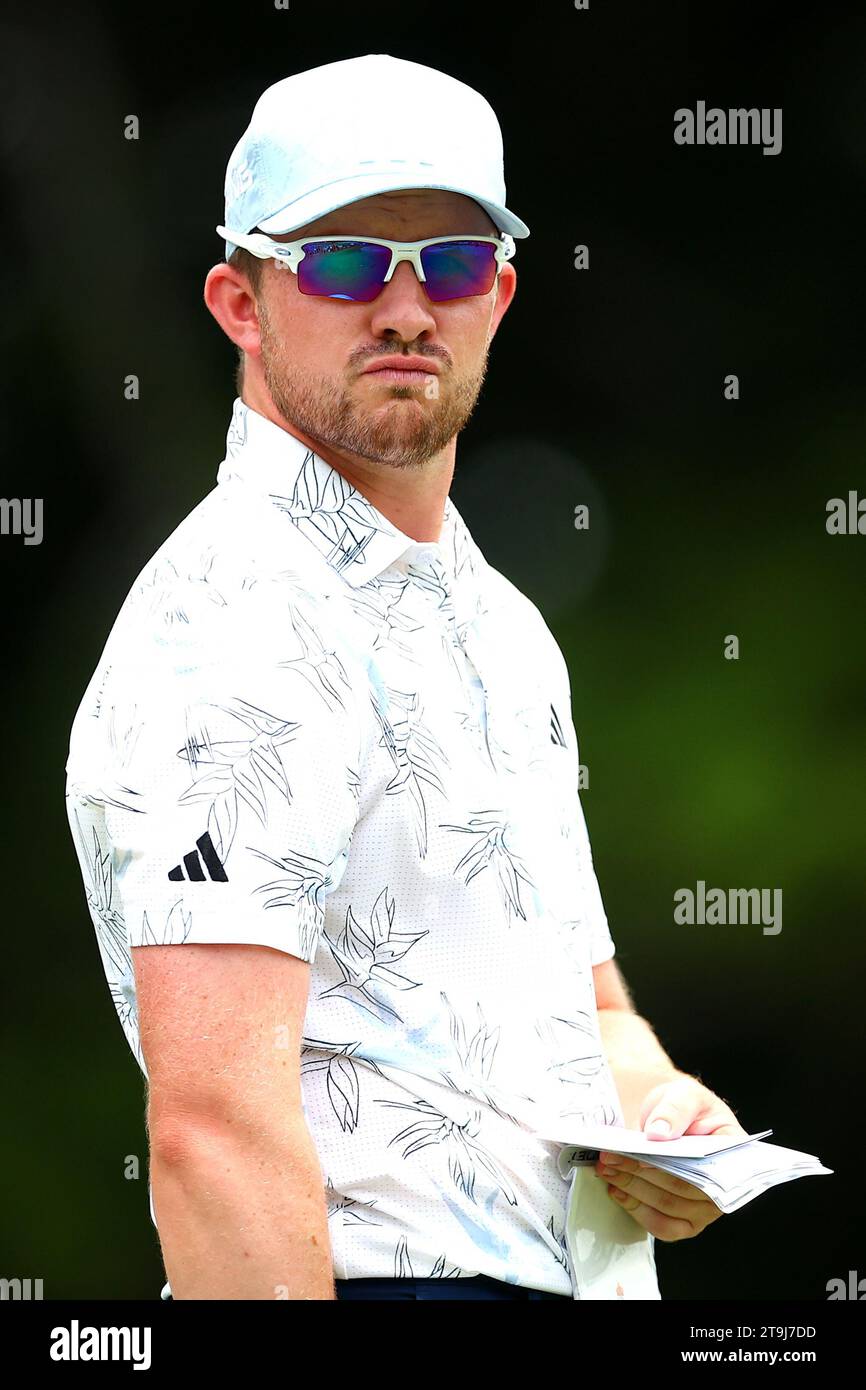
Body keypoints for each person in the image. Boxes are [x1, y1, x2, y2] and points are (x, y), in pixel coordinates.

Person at [64, 53, 744, 1302]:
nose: (403, 307)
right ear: (240, 303)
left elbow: (587, 1010)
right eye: (339, 262)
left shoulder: (502, 625)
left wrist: (657, 1117)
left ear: (500, 294)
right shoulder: (228, 622)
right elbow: (213, 1140)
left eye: (451, 262)